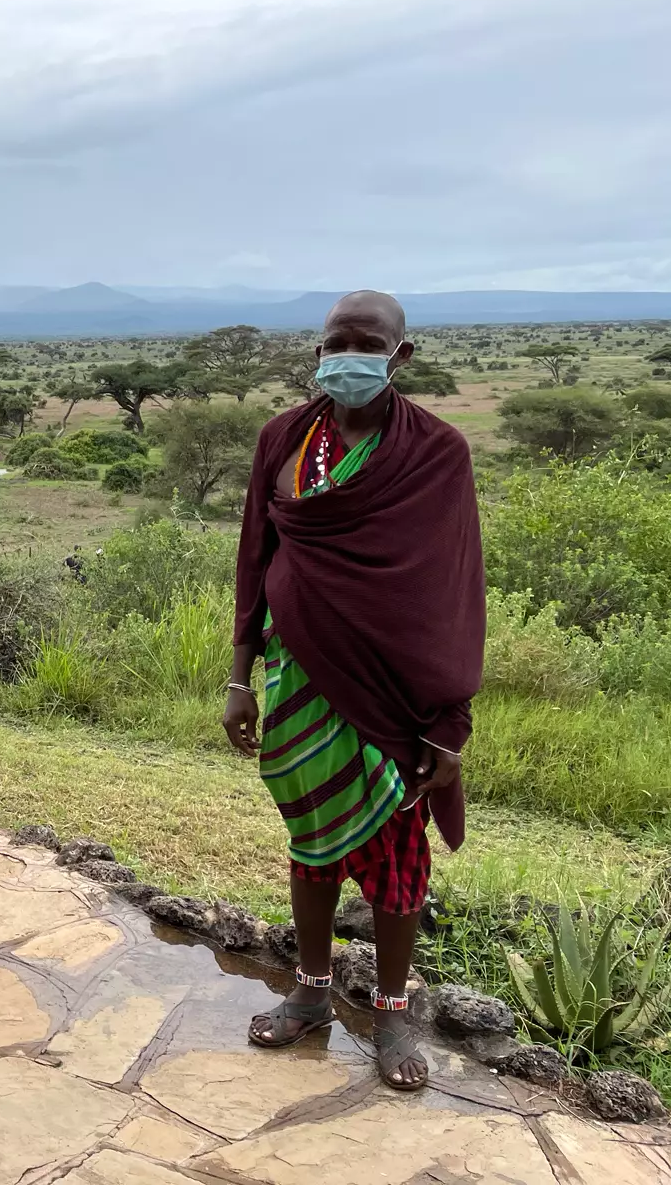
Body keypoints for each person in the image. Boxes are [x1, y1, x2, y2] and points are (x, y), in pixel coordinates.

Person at [224, 290, 485, 1091]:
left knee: (396, 853)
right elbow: (255, 558)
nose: (348, 355)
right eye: (335, 341)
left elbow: (454, 587)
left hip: (394, 694)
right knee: (313, 840)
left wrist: (449, 721)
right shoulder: (285, 438)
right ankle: (308, 992)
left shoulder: (437, 450)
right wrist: (240, 675)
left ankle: (394, 1007)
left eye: (367, 343)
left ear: (401, 355)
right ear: (317, 350)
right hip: (298, 678)